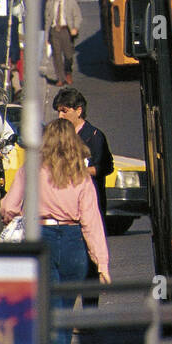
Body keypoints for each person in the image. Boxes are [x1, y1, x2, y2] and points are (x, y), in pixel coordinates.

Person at [0, 119, 110, 344]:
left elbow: (9, 207)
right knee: (63, 312)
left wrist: (9, 213)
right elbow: (92, 222)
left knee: (47, 311)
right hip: (74, 243)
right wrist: (102, 263)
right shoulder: (81, 176)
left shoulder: (31, 169)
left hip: (42, 239)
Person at [54, 87, 114, 305]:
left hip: (90, 204)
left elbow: (106, 166)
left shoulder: (95, 136)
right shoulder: (57, 138)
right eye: (58, 112)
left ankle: (90, 312)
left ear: (78, 111)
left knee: (91, 258)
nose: (60, 116)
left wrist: (80, 171)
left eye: (64, 111)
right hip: (65, 207)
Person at [46, 0, 82, 86]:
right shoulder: (50, 3)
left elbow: (77, 16)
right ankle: (60, 78)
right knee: (56, 56)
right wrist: (47, 37)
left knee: (68, 55)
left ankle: (68, 72)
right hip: (54, 31)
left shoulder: (70, 2)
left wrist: (75, 28)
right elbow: (47, 20)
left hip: (66, 31)